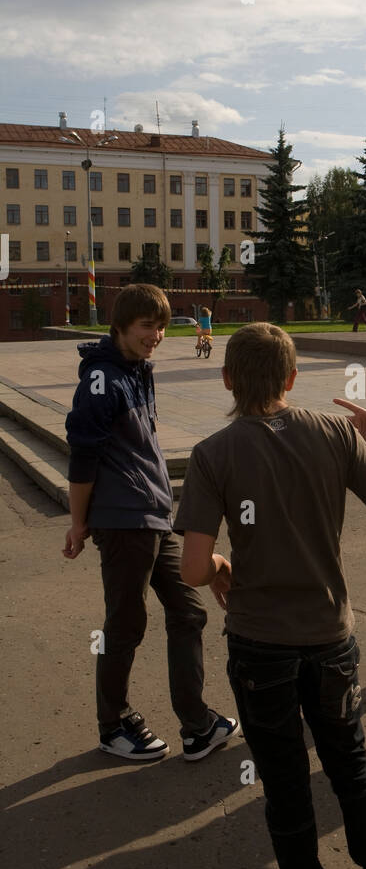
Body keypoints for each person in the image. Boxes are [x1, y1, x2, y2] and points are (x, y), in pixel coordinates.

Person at [175, 323, 366, 869]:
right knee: (353, 771)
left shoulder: (213, 454)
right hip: (331, 640)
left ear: (226, 378)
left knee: (284, 781)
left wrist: (226, 565)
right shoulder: (335, 432)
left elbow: (193, 569)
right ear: (291, 379)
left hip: (261, 645)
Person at [63, 284, 238, 763]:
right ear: (121, 325)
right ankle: (113, 724)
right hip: (123, 523)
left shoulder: (137, 371)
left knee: (188, 612)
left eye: (161, 326)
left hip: (154, 517)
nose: (156, 335)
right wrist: (78, 523)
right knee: (125, 624)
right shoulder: (101, 380)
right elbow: (82, 458)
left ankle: (196, 725)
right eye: (147, 326)